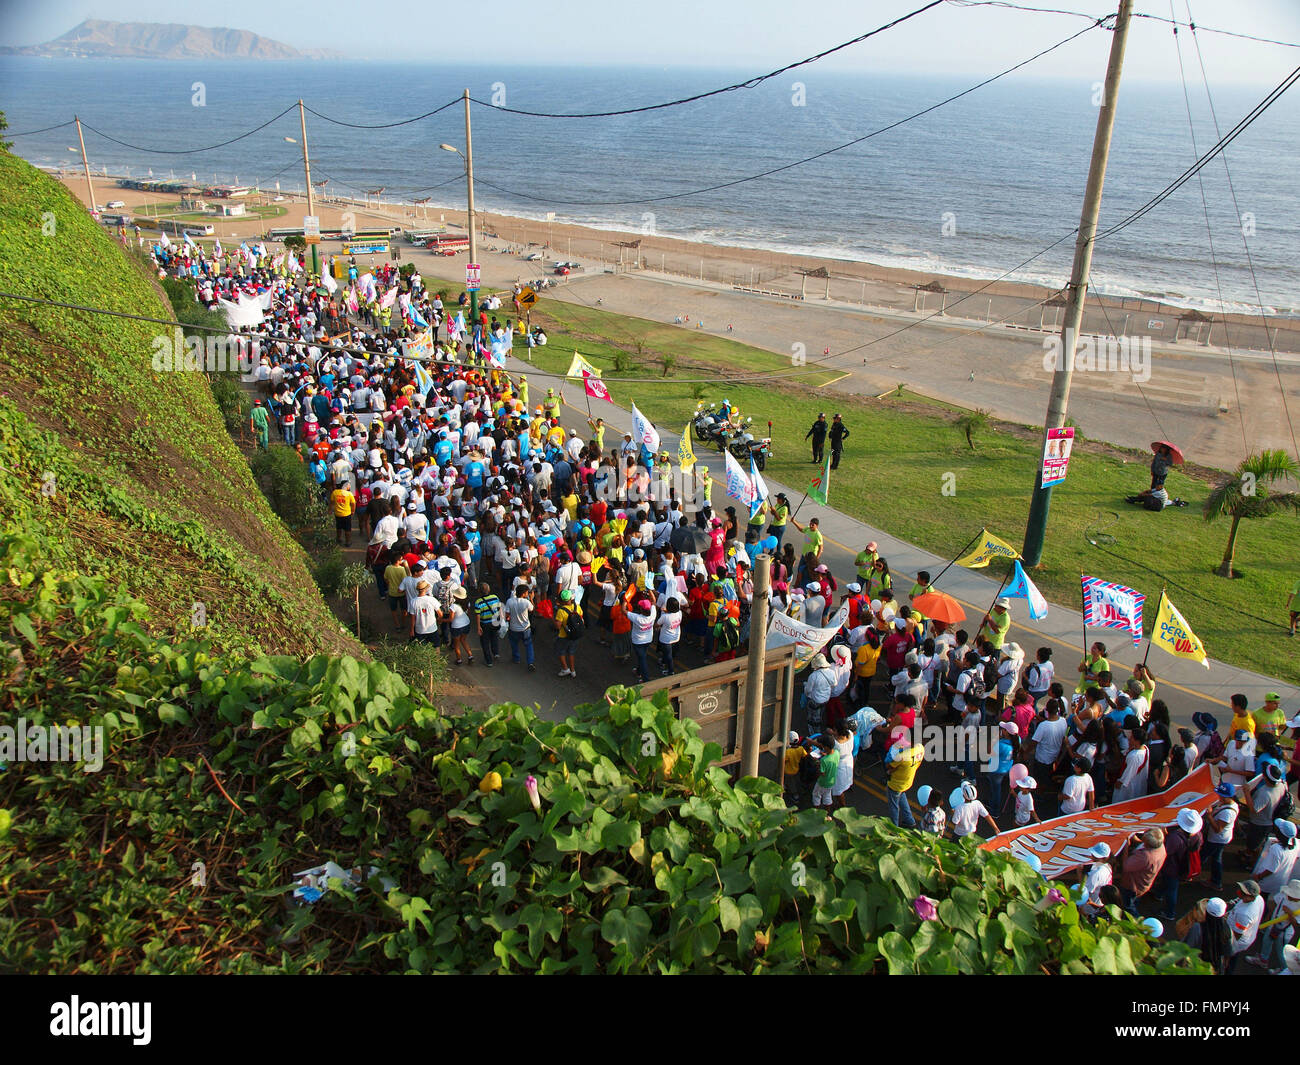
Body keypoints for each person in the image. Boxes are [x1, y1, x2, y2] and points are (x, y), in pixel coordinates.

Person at [1157, 808, 1203, 921]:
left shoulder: (1175, 838)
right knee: (1170, 885)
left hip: (1172, 868)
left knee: (1172, 889)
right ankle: (1158, 894)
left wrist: (1163, 835)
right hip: (1184, 866)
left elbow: (1166, 852)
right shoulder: (1197, 835)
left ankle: (1169, 913)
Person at [1199, 782, 1238, 891]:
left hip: (1217, 839)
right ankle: (1216, 881)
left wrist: (1209, 816)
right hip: (1221, 839)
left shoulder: (1228, 813)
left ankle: (1191, 872)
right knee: (1216, 859)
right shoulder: (1230, 804)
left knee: (1203, 856)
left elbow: (1218, 829)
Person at [1119, 828, 1167, 916]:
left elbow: (1125, 866)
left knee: (1129, 906)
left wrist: (1126, 847)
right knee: (1135, 901)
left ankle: (1136, 923)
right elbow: (1142, 844)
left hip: (1132, 886)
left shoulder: (1145, 857)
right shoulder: (1160, 847)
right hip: (1143, 884)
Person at [884, 734, 923, 828]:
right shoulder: (921, 748)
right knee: (901, 796)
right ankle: (909, 820)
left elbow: (889, 766)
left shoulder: (902, 756)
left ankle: (894, 828)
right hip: (907, 780)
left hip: (895, 783)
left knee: (894, 806)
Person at [1226, 880, 1265, 974]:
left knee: (1228, 960)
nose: (1239, 892)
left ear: (1250, 897)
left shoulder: (1245, 915)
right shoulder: (1258, 897)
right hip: (1245, 935)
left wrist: (1226, 944)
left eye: (1243, 892)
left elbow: (1236, 935)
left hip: (1236, 941)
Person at [505, 584, 537, 672]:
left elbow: (507, 615)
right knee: (529, 645)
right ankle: (530, 662)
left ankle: (516, 659)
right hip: (525, 628)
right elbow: (532, 609)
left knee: (514, 644)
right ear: (523, 594)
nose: (528, 594)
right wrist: (531, 599)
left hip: (513, 628)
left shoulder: (510, 601)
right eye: (527, 593)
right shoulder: (526, 602)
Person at [553, 587, 583, 679]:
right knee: (571, 652)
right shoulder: (577, 607)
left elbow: (557, 626)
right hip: (575, 635)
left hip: (564, 636)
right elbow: (581, 619)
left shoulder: (561, 611)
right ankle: (573, 670)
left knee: (561, 652)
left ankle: (565, 669)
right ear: (571, 598)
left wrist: (553, 619)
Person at [471, 582, 502, 667]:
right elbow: (499, 609)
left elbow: (478, 615)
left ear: (479, 591)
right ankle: (495, 653)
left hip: (484, 624)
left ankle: (489, 661)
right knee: (494, 637)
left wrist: (478, 627)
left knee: (485, 642)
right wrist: (501, 619)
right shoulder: (495, 597)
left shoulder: (478, 602)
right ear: (489, 590)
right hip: (495, 622)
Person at [811, 735, 840, 814]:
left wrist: (817, 762)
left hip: (822, 782)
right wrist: (825, 754)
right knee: (827, 796)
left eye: (823, 745)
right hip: (831, 781)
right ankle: (827, 813)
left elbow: (822, 773)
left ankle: (816, 813)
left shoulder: (824, 760)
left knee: (816, 795)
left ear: (826, 747)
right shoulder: (837, 753)